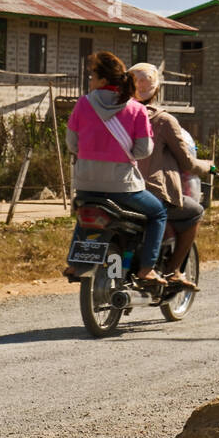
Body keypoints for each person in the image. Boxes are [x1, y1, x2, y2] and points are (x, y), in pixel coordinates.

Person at [66, 51, 168, 288]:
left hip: (85, 183)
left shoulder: (83, 103)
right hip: (123, 187)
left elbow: (72, 144)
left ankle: (75, 263)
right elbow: (144, 150)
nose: (90, 81)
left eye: (92, 77)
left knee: (85, 216)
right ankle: (146, 269)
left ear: (103, 81)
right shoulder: (137, 110)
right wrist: (124, 153)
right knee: (158, 214)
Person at [129, 63, 213, 289]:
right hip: (151, 191)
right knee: (195, 211)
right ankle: (173, 270)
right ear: (157, 90)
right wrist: (208, 167)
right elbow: (187, 162)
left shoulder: (117, 115)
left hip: (117, 189)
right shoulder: (163, 120)